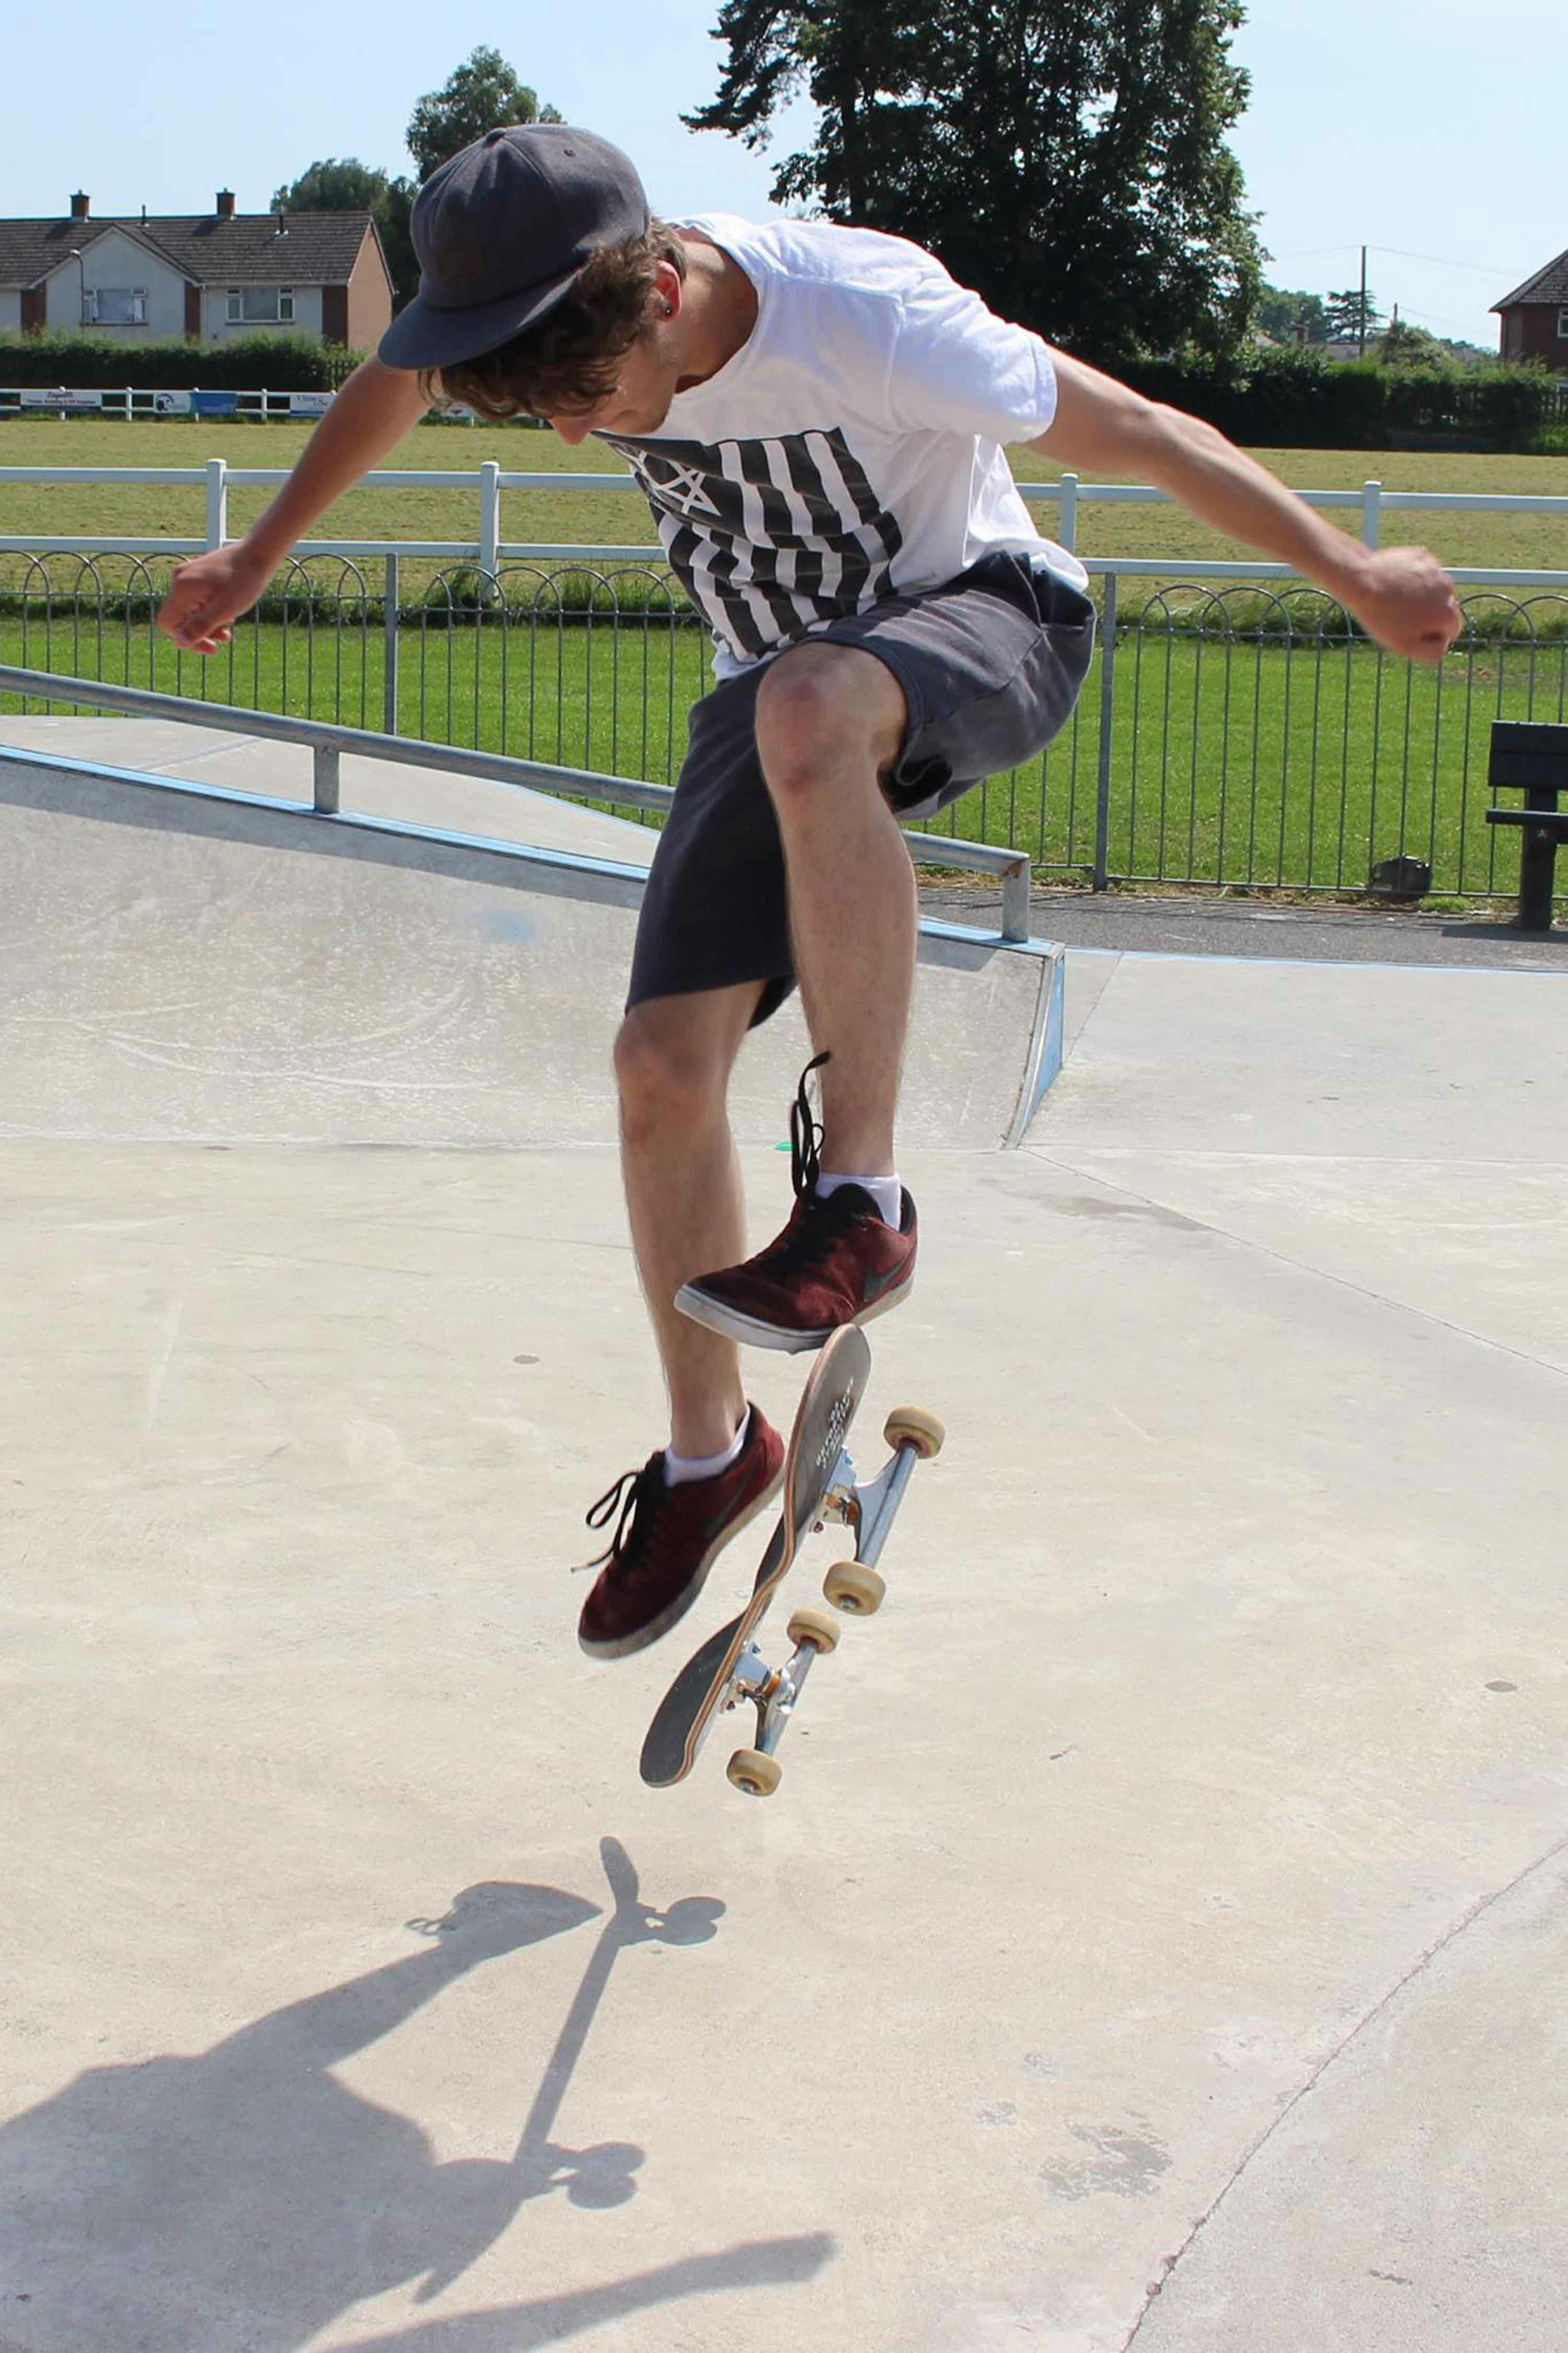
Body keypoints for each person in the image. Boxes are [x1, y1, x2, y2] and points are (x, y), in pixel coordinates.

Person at [158, 124, 1463, 1662]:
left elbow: (1152, 435)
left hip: (988, 623)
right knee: (657, 1068)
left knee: (808, 708)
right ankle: (713, 1460)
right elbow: (389, 383)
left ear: (653, 295)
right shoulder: (544, 312)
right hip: (778, 689)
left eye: (589, 404)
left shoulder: (871, 316)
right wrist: (258, 552)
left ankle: (864, 1197)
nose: (581, 441)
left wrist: (1356, 573)